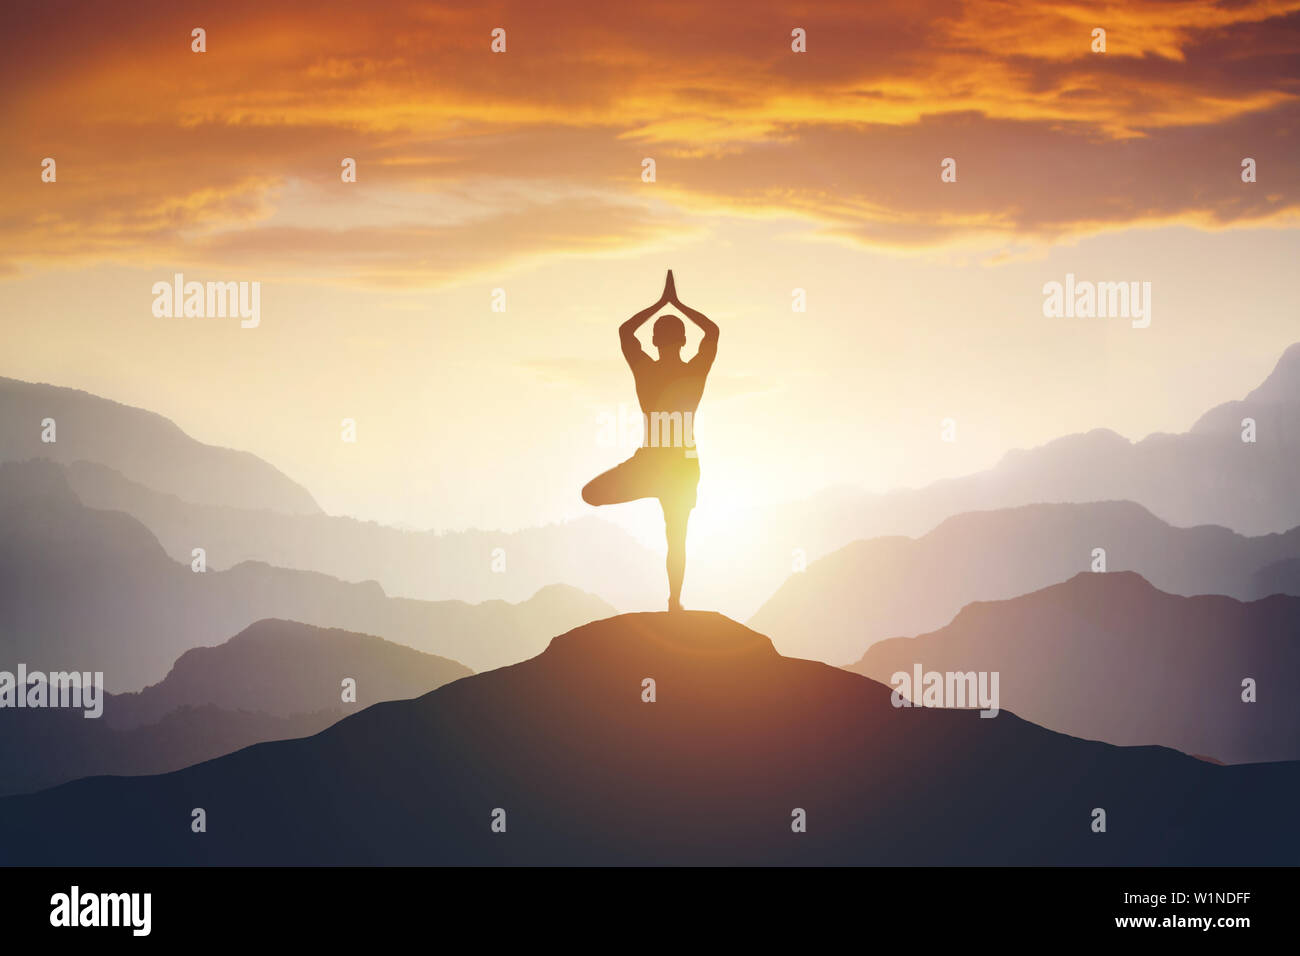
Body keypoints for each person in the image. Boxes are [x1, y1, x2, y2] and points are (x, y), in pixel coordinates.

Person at [581, 270, 719, 611]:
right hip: (678, 466)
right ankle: (675, 601)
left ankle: (675, 602)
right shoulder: (695, 370)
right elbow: (713, 331)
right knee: (677, 537)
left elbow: (626, 331)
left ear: (655, 341)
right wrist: (677, 305)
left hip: (657, 465)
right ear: (683, 341)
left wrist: (660, 304)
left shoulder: (645, 368)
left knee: (593, 495)